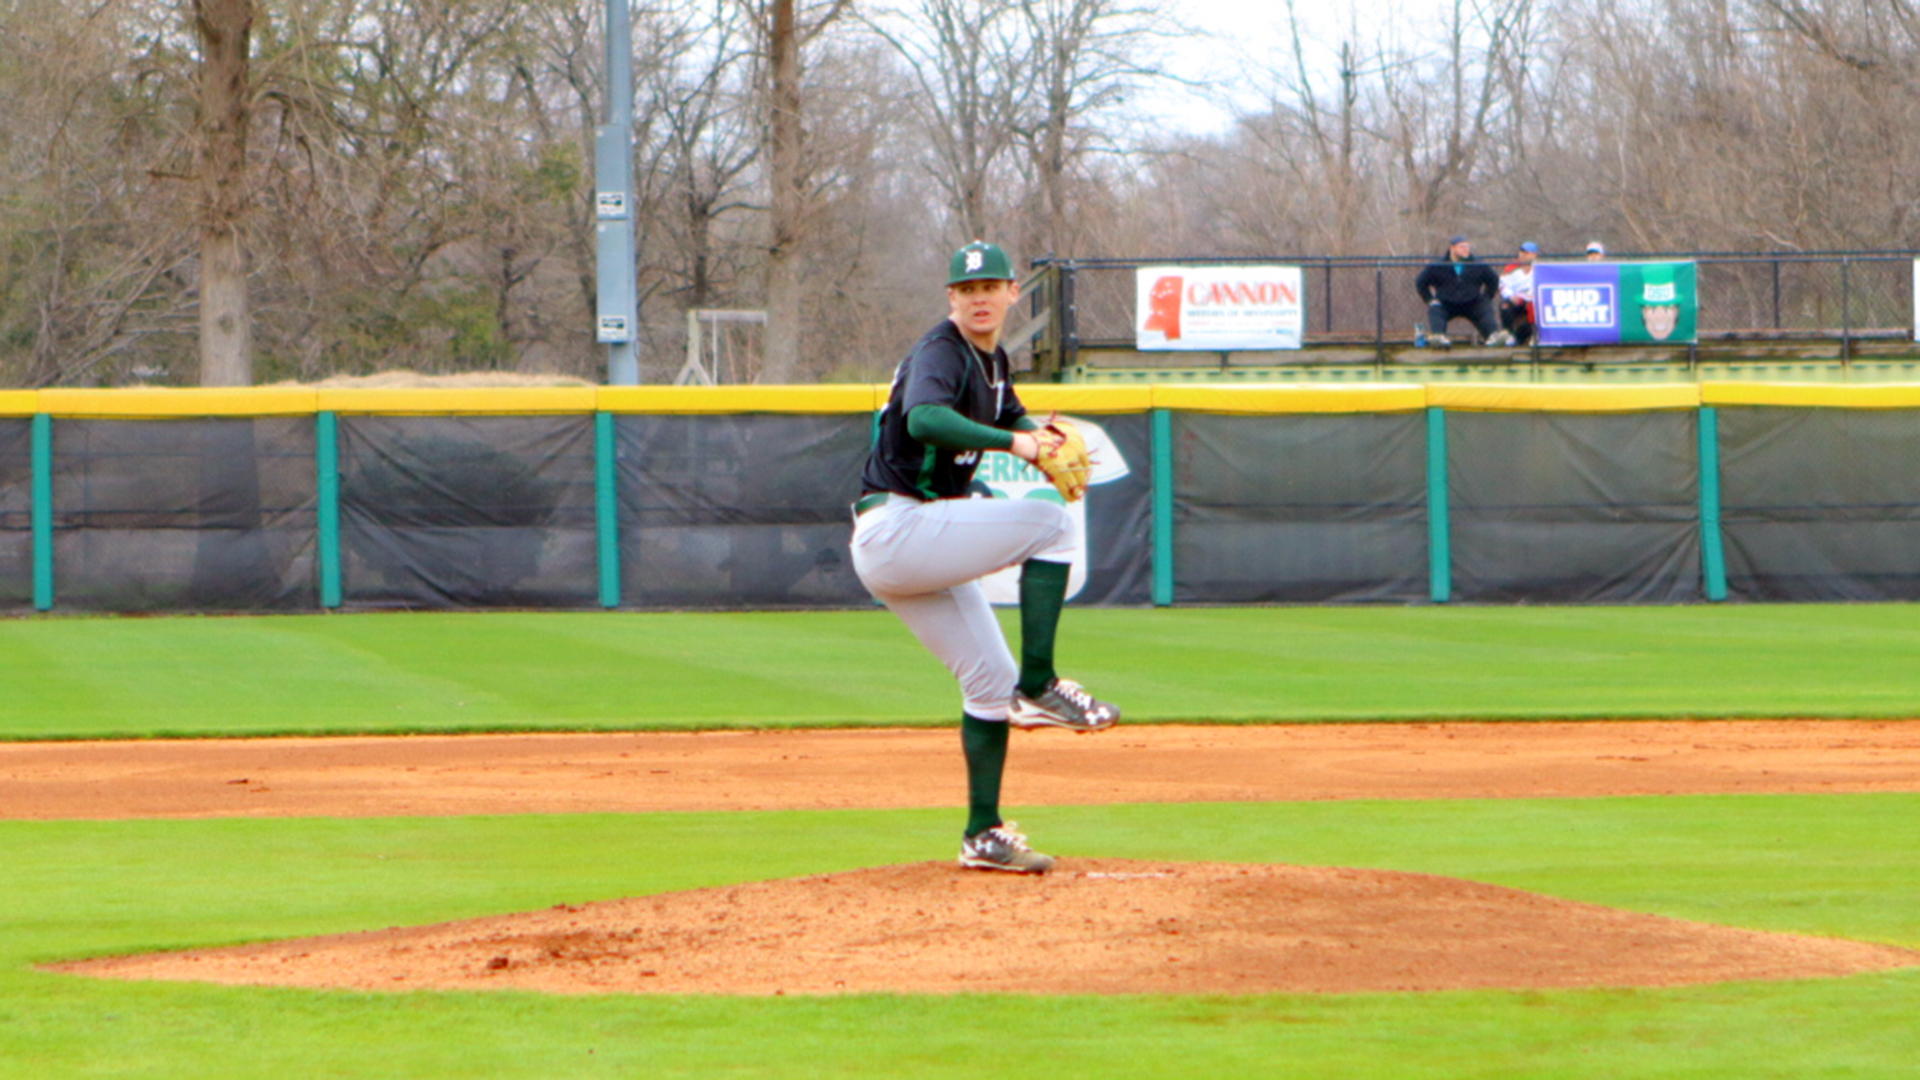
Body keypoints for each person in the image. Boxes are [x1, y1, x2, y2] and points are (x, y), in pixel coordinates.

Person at [850, 239, 1120, 876]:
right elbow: (923, 420)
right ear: (952, 298)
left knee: (986, 684)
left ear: (1010, 294)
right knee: (1052, 526)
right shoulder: (941, 352)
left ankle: (984, 833)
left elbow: (1014, 414)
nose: (979, 298)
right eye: (967, 290)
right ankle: (1041, 685)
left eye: (990, 288)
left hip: (907, 543)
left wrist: (1043, 437)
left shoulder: (992, 362)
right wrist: (1020, 449)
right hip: (897, 525)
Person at [1414, 234, 1504, 347]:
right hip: (1446, 303)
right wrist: (1429, 299)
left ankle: (1492, 336)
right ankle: (1438, 337)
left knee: (1484, 308)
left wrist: (1486, 297)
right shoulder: (1438, 265)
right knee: (1435, 308)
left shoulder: (1478, 264)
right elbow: (1421, 282)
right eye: (1462, 247)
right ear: (1452, 248)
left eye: (1468, 246)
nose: (1466, 249)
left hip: (1472, 302)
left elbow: (1493, 279)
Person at [1498, 242, 1539, 346]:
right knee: (1504, 305)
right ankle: (1508, 333)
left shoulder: (1540, 268)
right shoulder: (1511, 267)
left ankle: (1525, 337)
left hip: (1533, 300)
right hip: (1516, 298)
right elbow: (1502, 285)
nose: (1524, 255)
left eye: (1527, 253)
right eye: (1522, 252)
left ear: (1535, 255)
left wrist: (1531, 296)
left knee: (1528, 322)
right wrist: (1510, 295)